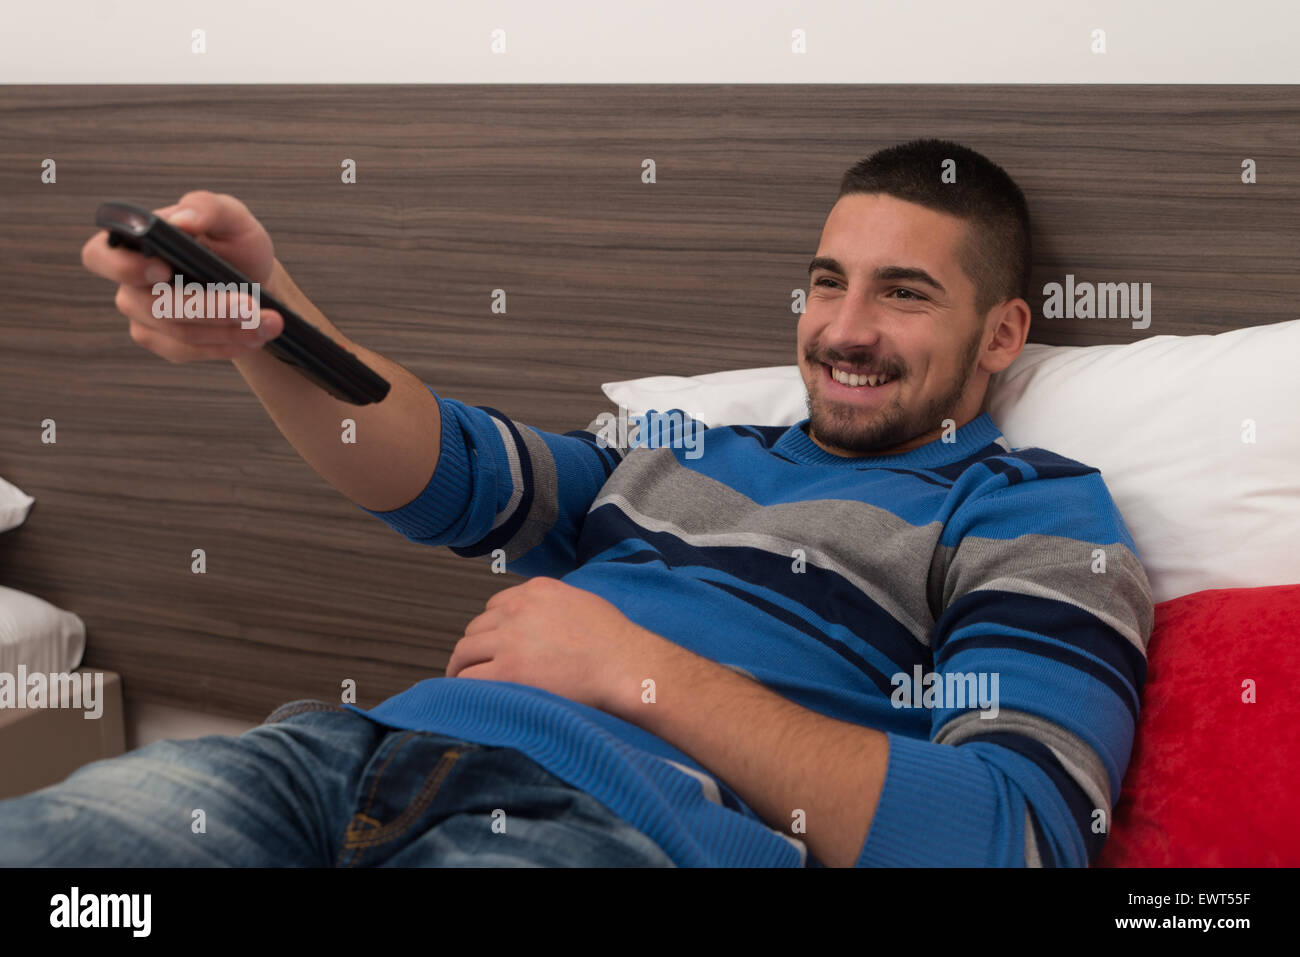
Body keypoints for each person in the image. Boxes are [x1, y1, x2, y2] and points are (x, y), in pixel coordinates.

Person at [0, 138, 1152, 867]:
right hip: (334, 764)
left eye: (903, 294)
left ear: (1003, 332)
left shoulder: (1036, 515)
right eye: (824, 282)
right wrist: (270, 326)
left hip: (616, 831)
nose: (843, 329)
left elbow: (1015, 837)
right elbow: (443, 472)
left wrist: (629, 673)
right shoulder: (679, 446)